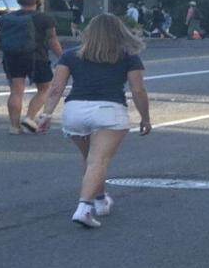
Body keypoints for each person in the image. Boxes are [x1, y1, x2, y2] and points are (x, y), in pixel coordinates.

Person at [37, 14, 152, 229]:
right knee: (98, 161)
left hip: (75, 111)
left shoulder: (70, 56)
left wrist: (46, 114)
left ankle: (100, 200)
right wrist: (145, 118)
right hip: (109, 111)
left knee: (91, 160)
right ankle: (84, 208)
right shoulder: (129, 57)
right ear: (119, 33)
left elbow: (56, 88)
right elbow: (138, 90)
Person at [0, 0, 63, 135]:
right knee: (45, 88)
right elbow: (52, 39)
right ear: (37, 0)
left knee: (16, 91)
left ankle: (14, 126)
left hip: (12, 57)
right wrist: (62, 56)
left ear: (19, 1)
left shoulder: (6, 18)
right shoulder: (45, 18)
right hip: (37, 57)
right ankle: (29, 117)